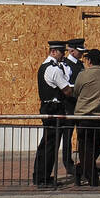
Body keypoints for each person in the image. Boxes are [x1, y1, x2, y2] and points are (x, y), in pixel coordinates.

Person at [33, 41, 74, 187]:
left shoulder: (45, 67)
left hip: (48, 107)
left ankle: (40, 176)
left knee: (46, 144)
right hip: (54, 109)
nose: (64, 55)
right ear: (54, 52)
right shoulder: (54, 69)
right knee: (50, 145)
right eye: (62, 52)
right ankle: (43, 178)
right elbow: (67, 91)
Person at [72, 49, 100, 186]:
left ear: (89, 61)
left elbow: (76, 91)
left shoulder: (83, 75)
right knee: (95, 147)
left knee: (86, 149)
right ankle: (83, 172)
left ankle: (91, 178)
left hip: (84, 117)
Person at [61, 38, 86, 178]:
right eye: (79, 51)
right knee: (68, 135)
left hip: (80, 105)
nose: (81, 54)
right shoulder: (65, 65)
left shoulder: (80, 64)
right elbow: (65, 85)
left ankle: (85, 163)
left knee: (82, 135)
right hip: (69, 105)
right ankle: (68, 164)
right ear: (71, 51)